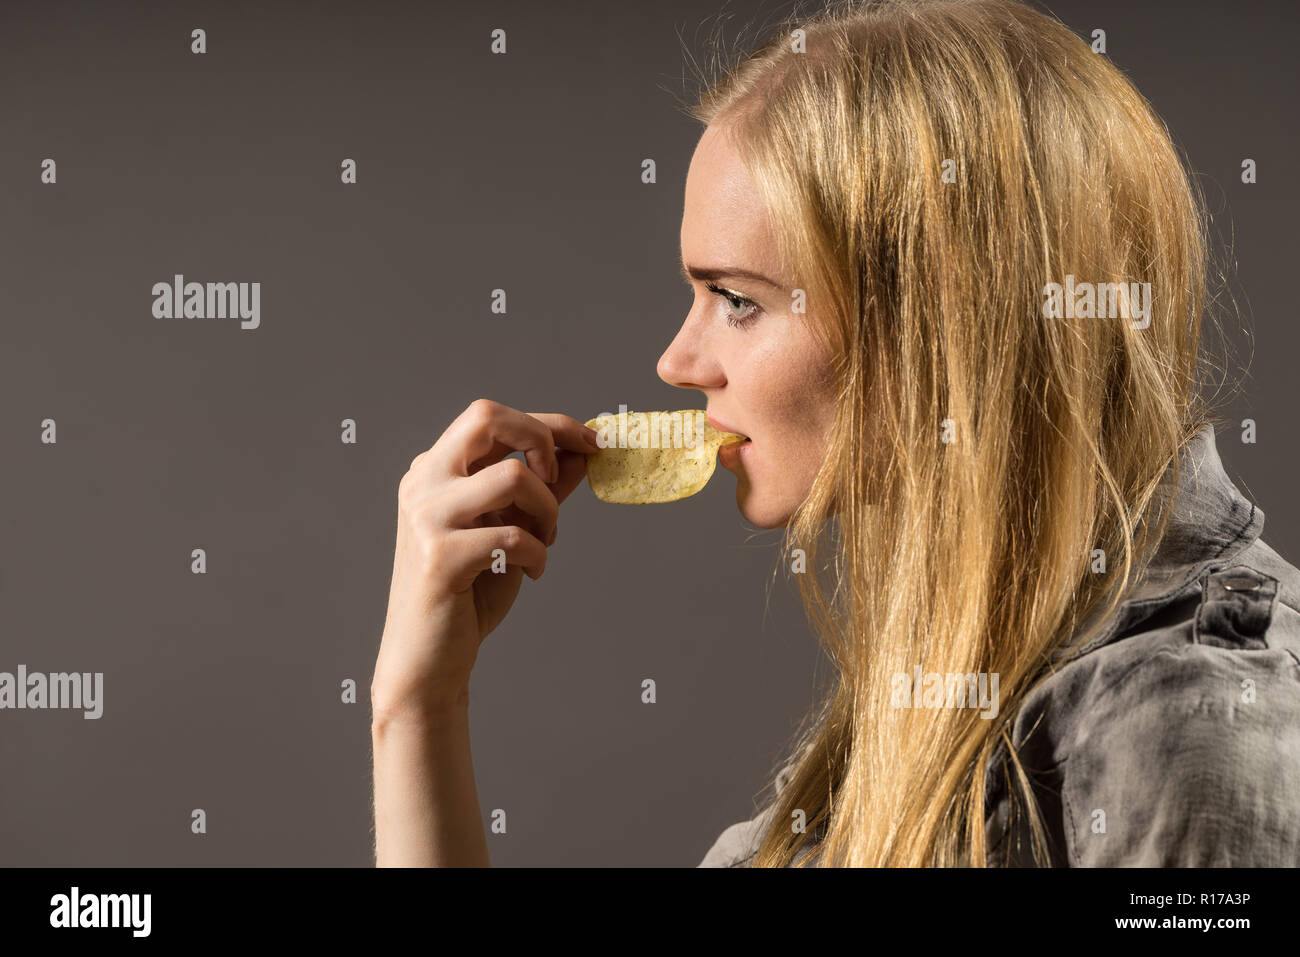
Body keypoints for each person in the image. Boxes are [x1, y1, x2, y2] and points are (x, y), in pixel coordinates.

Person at [369, 0, 1300, 867]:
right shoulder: (933, 709)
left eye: (735, 299)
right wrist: (417, 708)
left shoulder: (1193, 722)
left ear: (939, 329)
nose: (677, 361)